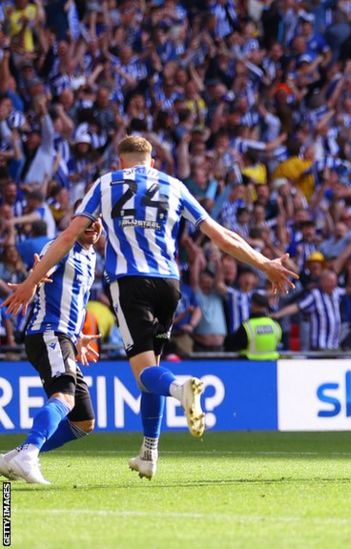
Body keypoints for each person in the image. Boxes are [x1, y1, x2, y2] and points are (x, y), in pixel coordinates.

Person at [1, 136, 297, 480]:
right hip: (170, 285)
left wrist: (27, 282)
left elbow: (66, 237)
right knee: (150, 368)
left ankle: (180, 387)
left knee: (146, 372)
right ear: (151, 162)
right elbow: (221, 235)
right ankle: (149, 452)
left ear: (120, 162)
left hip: (130, 282)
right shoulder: (174, 185)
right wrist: (264, 263)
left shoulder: (107, 183)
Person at [0, 218, 103, 484]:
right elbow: (42, 268)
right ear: (75, 223)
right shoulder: (61, 246)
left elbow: (77, 301)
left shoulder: (90, 257)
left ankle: (19, 454)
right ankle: (29, 453)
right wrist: (33, 281)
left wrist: (78, 337)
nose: (93, 227)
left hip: (65, 336)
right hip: (48, 332)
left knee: (83, 422)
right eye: (88, 222)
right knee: (65, 398)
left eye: (98, 223)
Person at [272, 270, 344, 351]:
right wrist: (277, 314)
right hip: (320, 346)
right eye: (330, 281)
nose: (334, 284)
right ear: (322, 282)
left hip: (334, 346)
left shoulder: (336, 293)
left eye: (335, 281)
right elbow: (297, 306)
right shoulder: (315, 295)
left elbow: (348, 290)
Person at [225, 293, 281, 360]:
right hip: (271, 365)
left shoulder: (247, 326)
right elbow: (278, 342)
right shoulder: (275, 325)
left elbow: (234, 346)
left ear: (254, 305)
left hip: (250, 365)